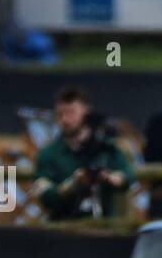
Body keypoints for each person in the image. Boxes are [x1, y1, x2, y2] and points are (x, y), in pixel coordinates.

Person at [32, 86, 134, 221]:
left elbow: (127, 174)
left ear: (85, 111)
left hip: (103, 226)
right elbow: (45, 195)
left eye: (71, 113)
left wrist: (110, 178)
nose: (65, 120)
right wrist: (73, 184)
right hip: (64, 227)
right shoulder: (49, 154)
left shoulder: (105, 148)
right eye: (60, 114)